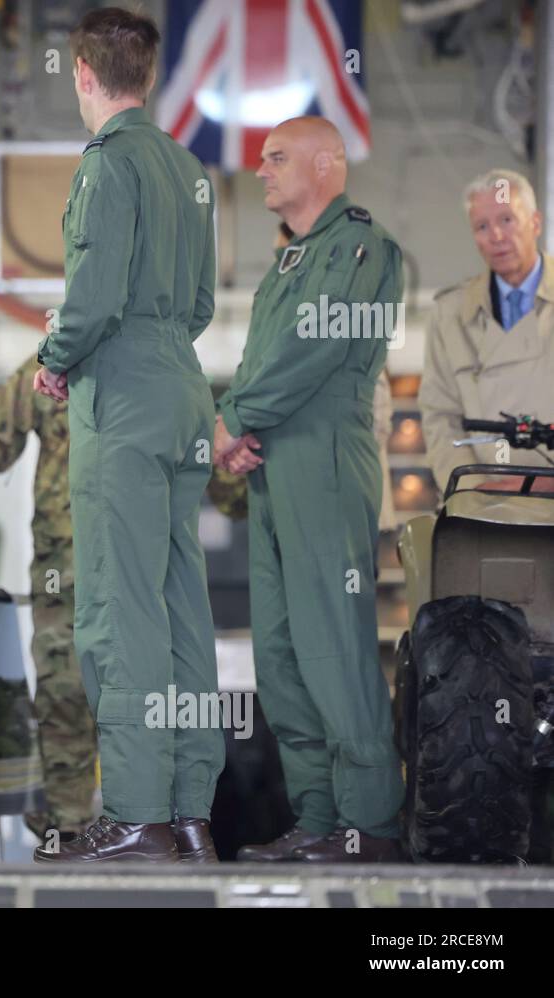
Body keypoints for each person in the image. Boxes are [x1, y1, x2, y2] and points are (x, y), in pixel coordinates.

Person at [32, 7, 222, 863]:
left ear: (83, 73)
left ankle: (137, 814)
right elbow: (205, 306)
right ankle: (188, 811)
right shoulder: (188, 168)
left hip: (124, 398)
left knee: (117, 607)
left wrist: (55, 352)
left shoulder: (106, 167)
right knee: (183, 605)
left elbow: (95, 296)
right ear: (147, 74)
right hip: (184, 389)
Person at [215, 116, 405, 862]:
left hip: (324, 465)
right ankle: (321, 822)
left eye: (278, 158)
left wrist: (235, 416)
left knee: (333, 649)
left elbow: (316, 349)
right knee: (284, 656)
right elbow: (271, 362)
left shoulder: (362, 247)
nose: (261, 170)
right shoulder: (288, 265)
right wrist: (244, 436)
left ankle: (368, 826)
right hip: (274, 469)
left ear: (328, 164)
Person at [0, 354, 97, 839]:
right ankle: (68, 822)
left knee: (141, 691)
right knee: (63, 683)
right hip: (64, 557)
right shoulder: (56, 357)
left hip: (139, 552)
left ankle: (144, 819)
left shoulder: (157, 349)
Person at [418, 168, 554, 494]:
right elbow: (440, 418)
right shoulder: (450, 313)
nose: (496, 236)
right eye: (482, 226)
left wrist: (542, 485)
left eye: (507, 219)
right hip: (483, 506)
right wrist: (474, 489)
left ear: (535, 222)